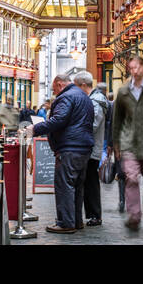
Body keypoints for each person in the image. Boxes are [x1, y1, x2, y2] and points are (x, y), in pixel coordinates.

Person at [31, 74, 94, 234]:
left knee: (64, 185)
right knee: (77, 186)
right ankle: (76, 220)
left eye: (54, 89)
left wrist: (35, 129)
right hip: (84, 147)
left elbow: (59, 119)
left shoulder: (65, 97)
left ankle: (66, 222)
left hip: (69, 147)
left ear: (59, 84)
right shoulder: (84, 96)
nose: (54, 93)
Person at [113, 54, 143, 231]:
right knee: (132, 179)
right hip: (129, 142)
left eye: (137, 67)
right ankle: (134, 215)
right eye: (131, 68)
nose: (134, 71)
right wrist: (116, 144)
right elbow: (117, 119)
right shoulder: (123, 92)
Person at [74, 71, 107, 226]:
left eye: (76, 86)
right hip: (89, 146)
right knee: (88, 181)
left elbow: (92, 124)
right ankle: (92, 214)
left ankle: (95, 215)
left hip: (91, 148)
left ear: (83, 85)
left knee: (91, 182)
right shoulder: (93, 100)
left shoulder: (96, 102)